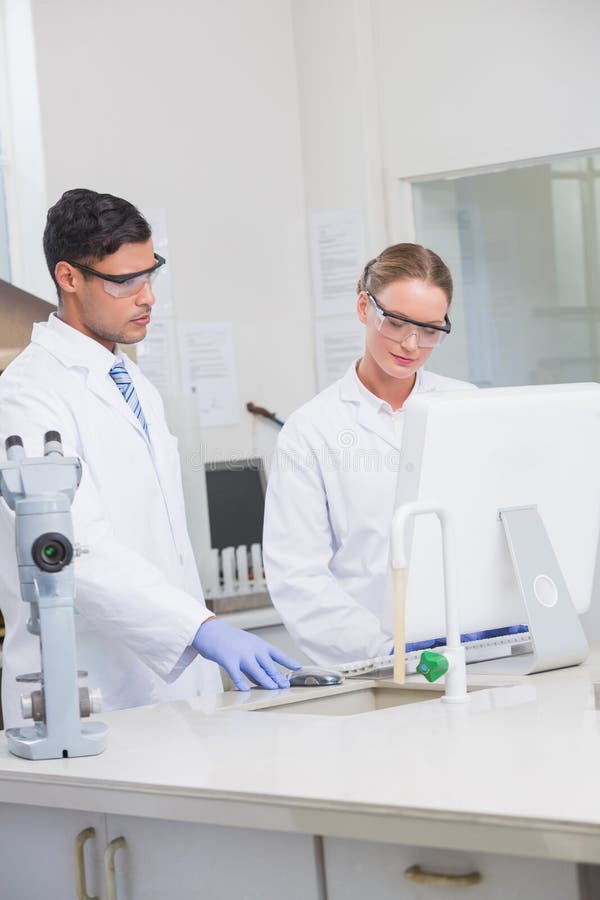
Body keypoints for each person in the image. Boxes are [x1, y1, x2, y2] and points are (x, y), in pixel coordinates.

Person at [0, 188, 299, 729]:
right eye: (124, 281)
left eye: (150, 273)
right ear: (69, 278)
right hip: (93, 694)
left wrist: (194, 625)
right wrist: (199, 629)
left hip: (172, 687)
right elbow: (71, 550)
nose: (147, 297)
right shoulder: (28, 395)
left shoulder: (131, 381)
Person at [263, 243, 476, 667]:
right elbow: (297, 577)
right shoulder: (311, 431)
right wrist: (390, 652)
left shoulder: (466, 408)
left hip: (473, 652)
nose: (411, 344)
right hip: (373, 666)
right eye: (396, 322)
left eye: (430, 330)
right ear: (365, 307)